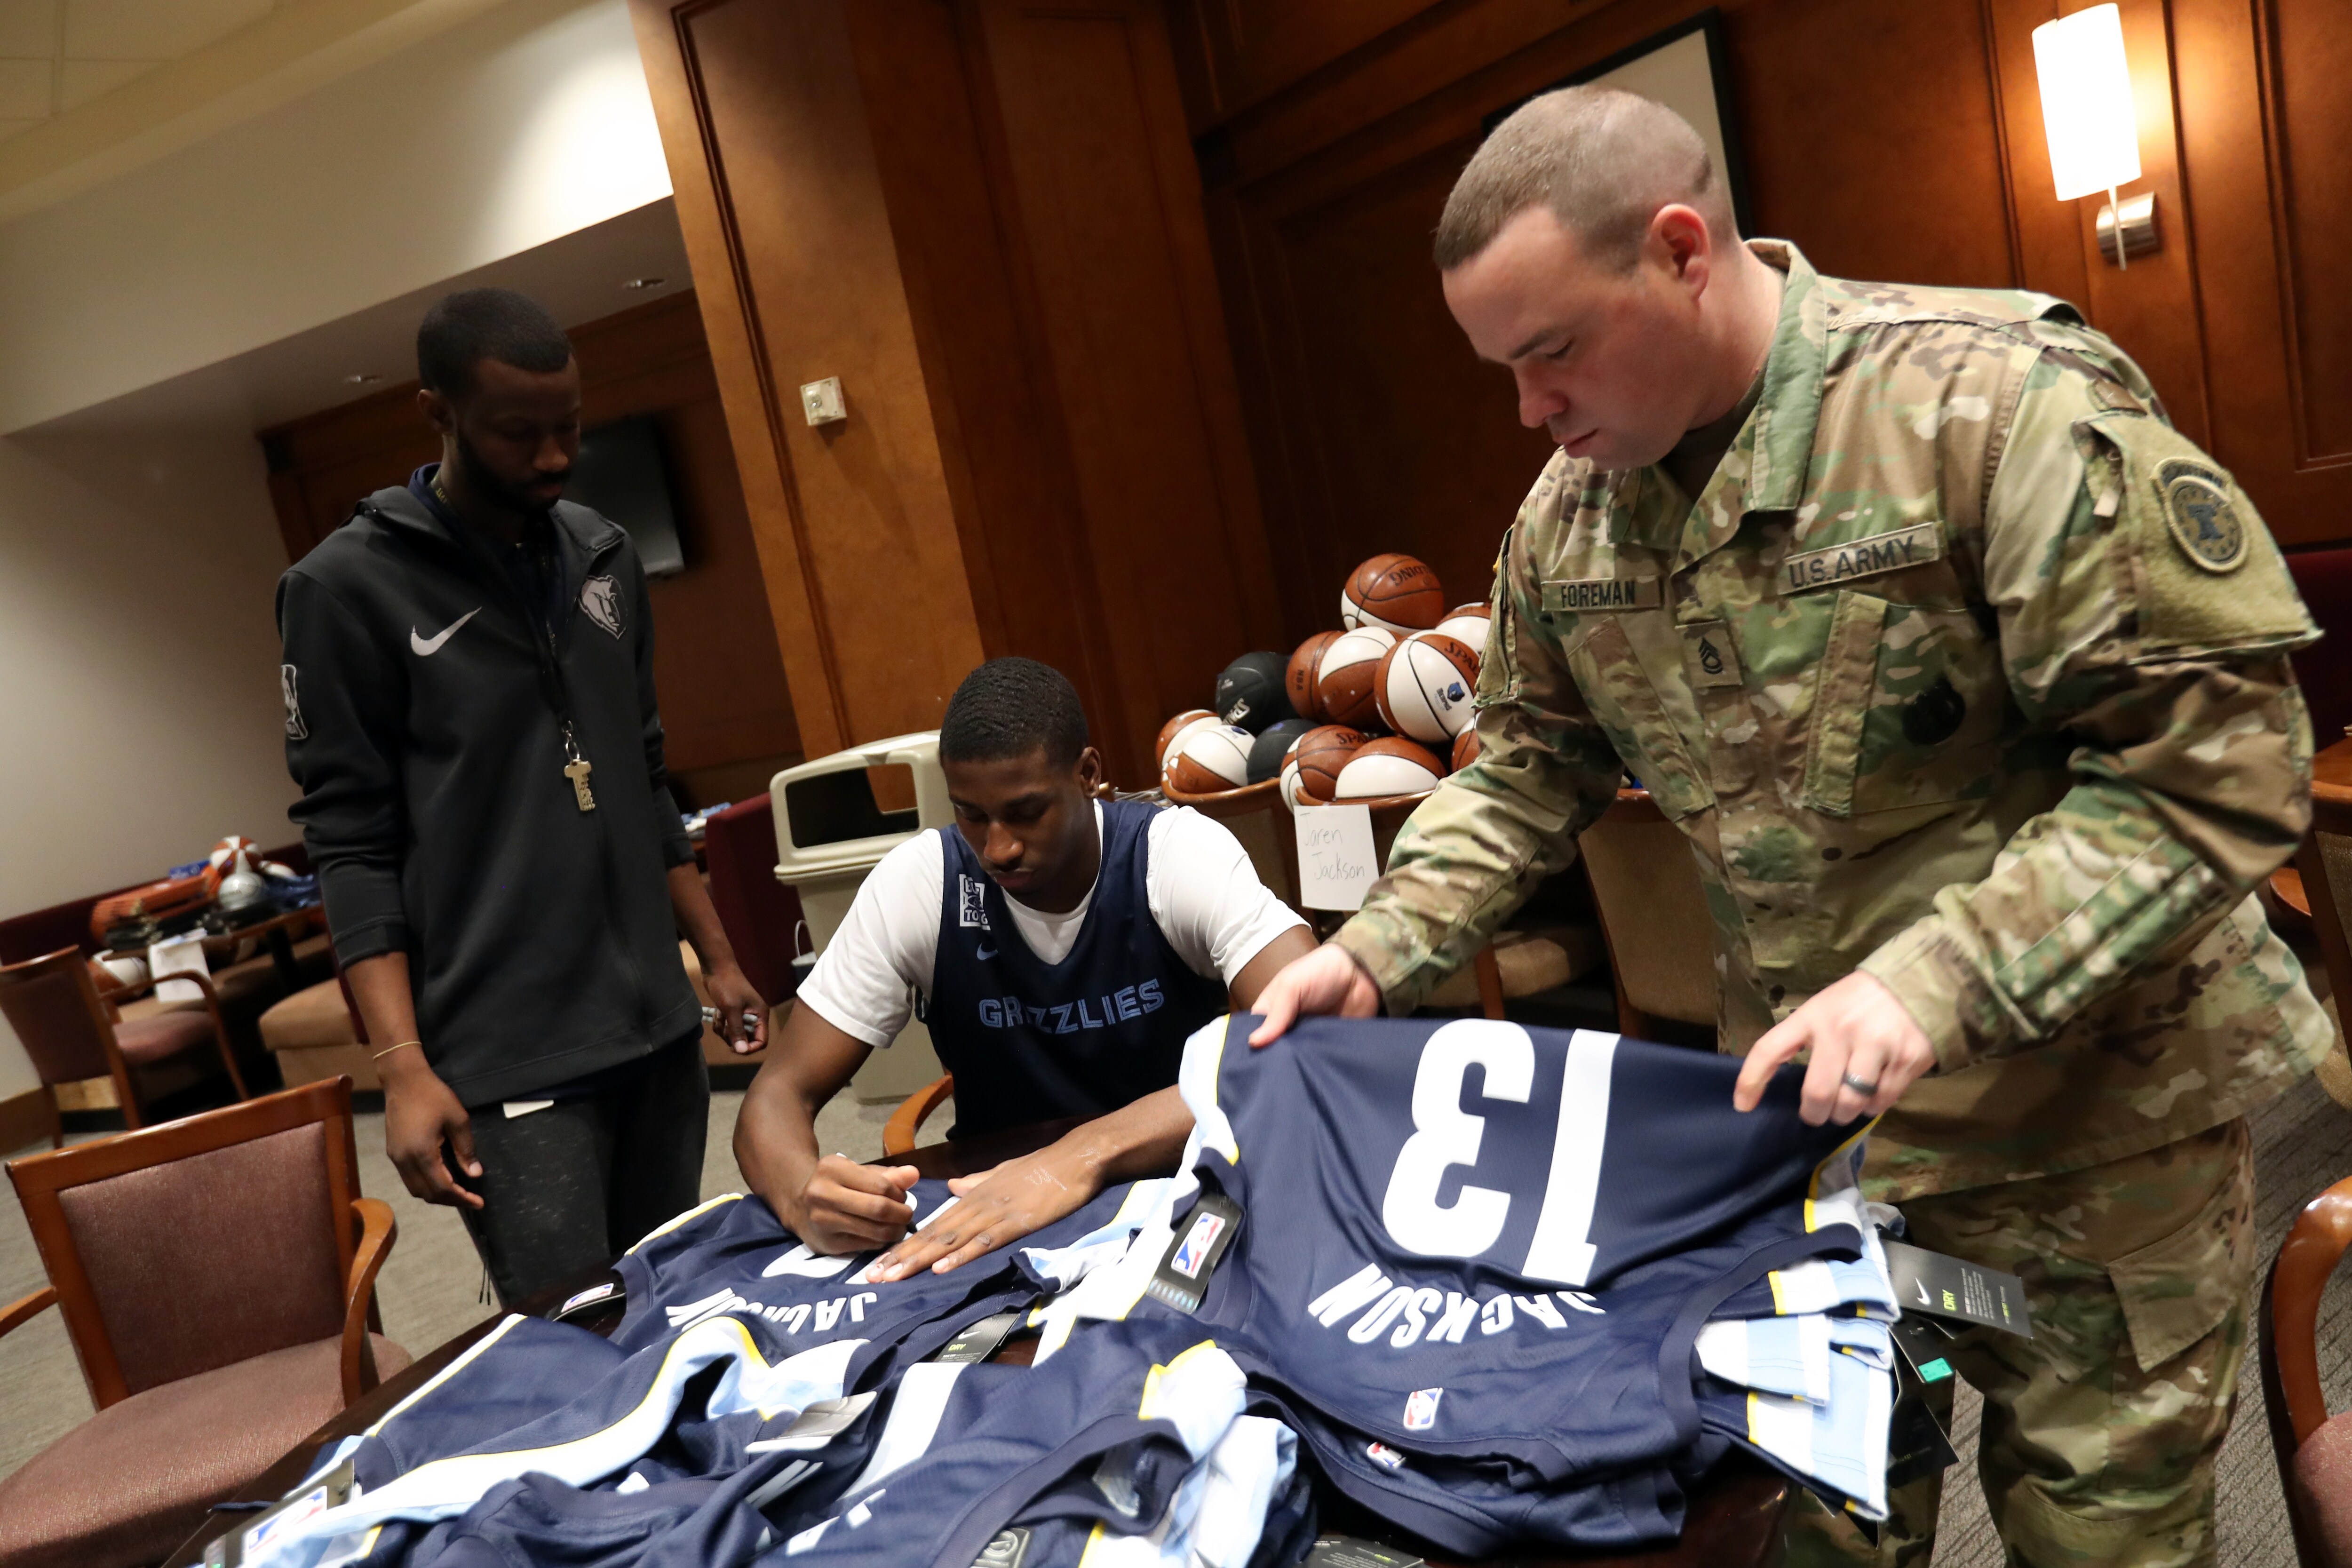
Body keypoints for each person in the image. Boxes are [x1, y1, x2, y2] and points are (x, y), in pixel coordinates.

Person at [1249, 86, 2328, 1567]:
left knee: (2102, 1540)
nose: (1530, 408)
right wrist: (1376, 946)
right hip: (1818, 1154)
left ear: (1682, 250)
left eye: (1551, 351)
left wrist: (1930, 978)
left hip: (2097, 1133)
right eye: (1502, 368)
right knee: (1820, 1532)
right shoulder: (1570, 522)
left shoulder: (1996, 404)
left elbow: (2216, 763)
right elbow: (1525, 772)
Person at [279, 288, 770, 1306]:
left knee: (674, 1303)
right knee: (572, 1341)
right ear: (437, 413)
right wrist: (402, 1065)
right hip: (509, 1056)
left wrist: (717, 958)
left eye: (569, 428)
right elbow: (351, 841)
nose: (553, 457)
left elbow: (638, 773)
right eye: (518, 433)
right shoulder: (343, 590)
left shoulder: (602, 551)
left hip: (654, 1029)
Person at [733, 657, 1314, 1282]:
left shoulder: (1175, 855)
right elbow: (774, 1096)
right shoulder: (923, 881)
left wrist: (1083, 1155)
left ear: (1089, 774)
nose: (999, 848)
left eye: (1027, 812)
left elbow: (1314, 1036)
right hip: (997, 1223)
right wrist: (802, 1195)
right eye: (972, 815)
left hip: (1186, 1193)